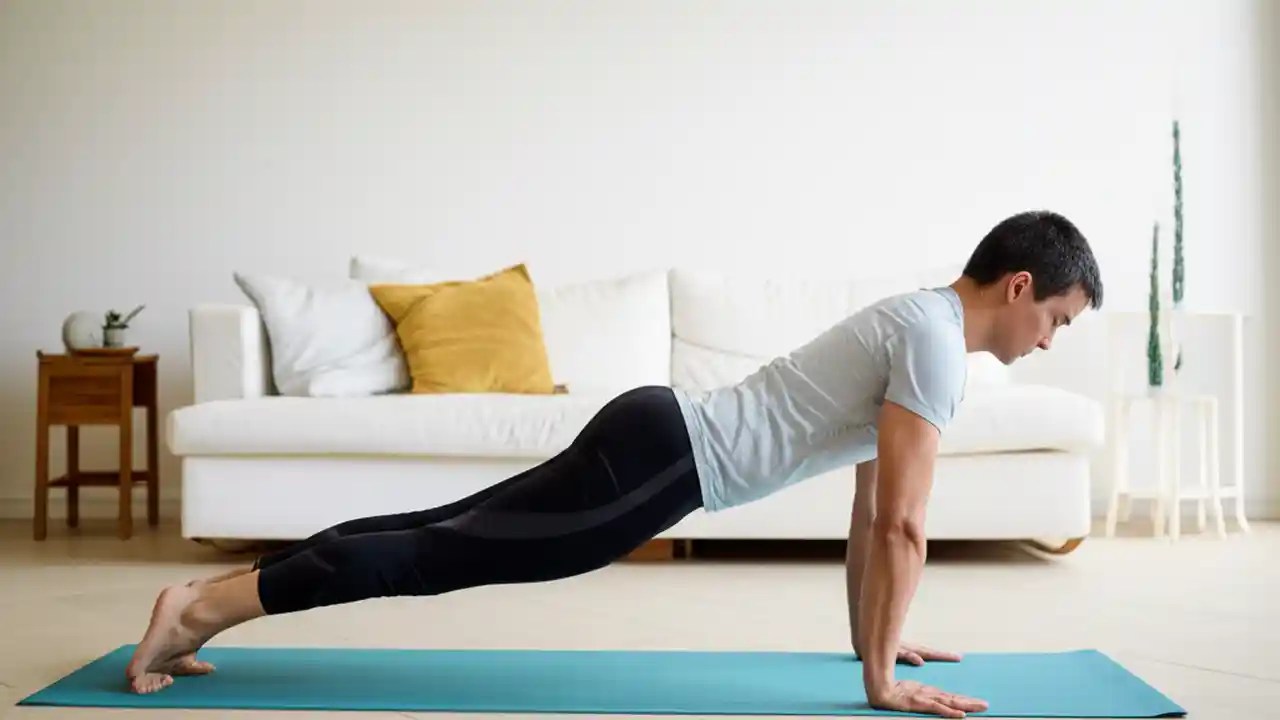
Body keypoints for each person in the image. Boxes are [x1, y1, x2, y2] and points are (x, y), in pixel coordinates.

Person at [126, 209, 1102, 719]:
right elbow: (901, 524)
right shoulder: (933, 345)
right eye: (1054, 319)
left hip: (656, 438)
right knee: (437, 555)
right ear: (1019, 285)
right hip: (659, 463)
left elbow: (867, 513)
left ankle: (209, 597)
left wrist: (874, 648)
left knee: (439, 535)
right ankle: (203, 609)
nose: (1048, 341)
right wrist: (882, 684)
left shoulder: (919, 323)